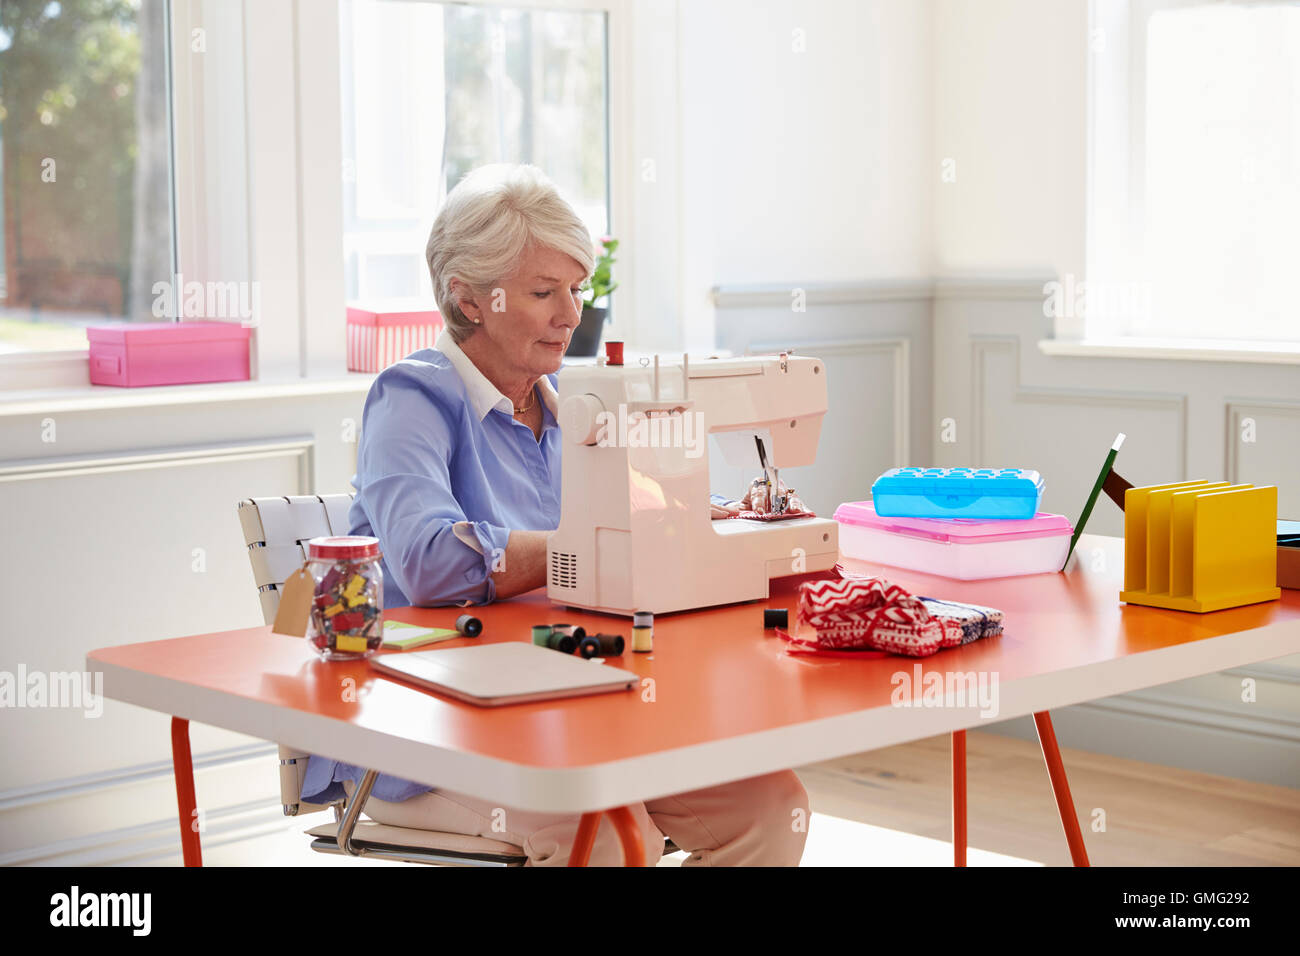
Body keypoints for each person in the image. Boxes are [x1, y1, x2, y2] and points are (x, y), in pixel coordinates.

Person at [302, 164, 808, 866]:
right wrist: (588, 545)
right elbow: (428, 564)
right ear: (469, 299)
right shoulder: (411, 398)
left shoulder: (575, 401)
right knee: (599, 835)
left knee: (770, 808)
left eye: (575, 289)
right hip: (427, 729)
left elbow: (645, 515)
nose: (571, 313)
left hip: (568, 701)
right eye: (544, 292)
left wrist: (713, 521)